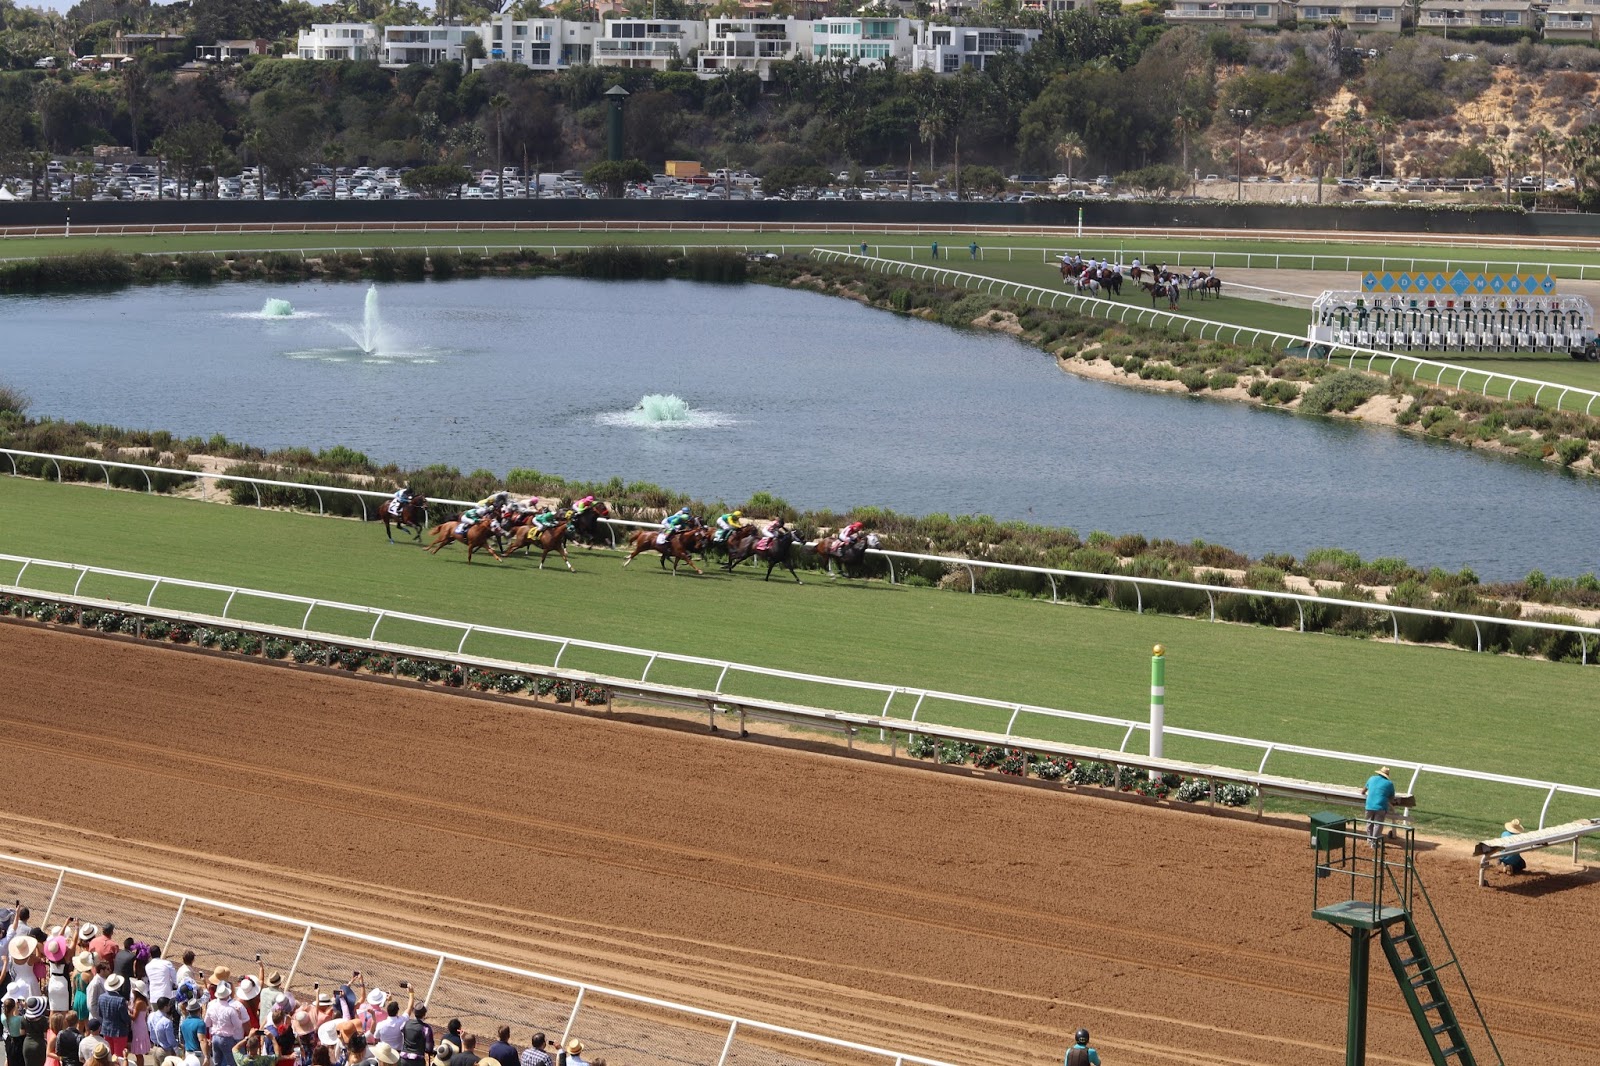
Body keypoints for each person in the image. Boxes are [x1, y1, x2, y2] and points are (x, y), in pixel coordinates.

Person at [1362, 766, 1396, 846]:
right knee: (1378, 824)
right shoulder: (1389, 784)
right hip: (1381, 806)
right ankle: (1374, 841)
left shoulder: (1371, 779)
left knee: (1369, 822)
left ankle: (1369, 840)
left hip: (1369, 805)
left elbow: (1363, 791)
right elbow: (1392, 798)